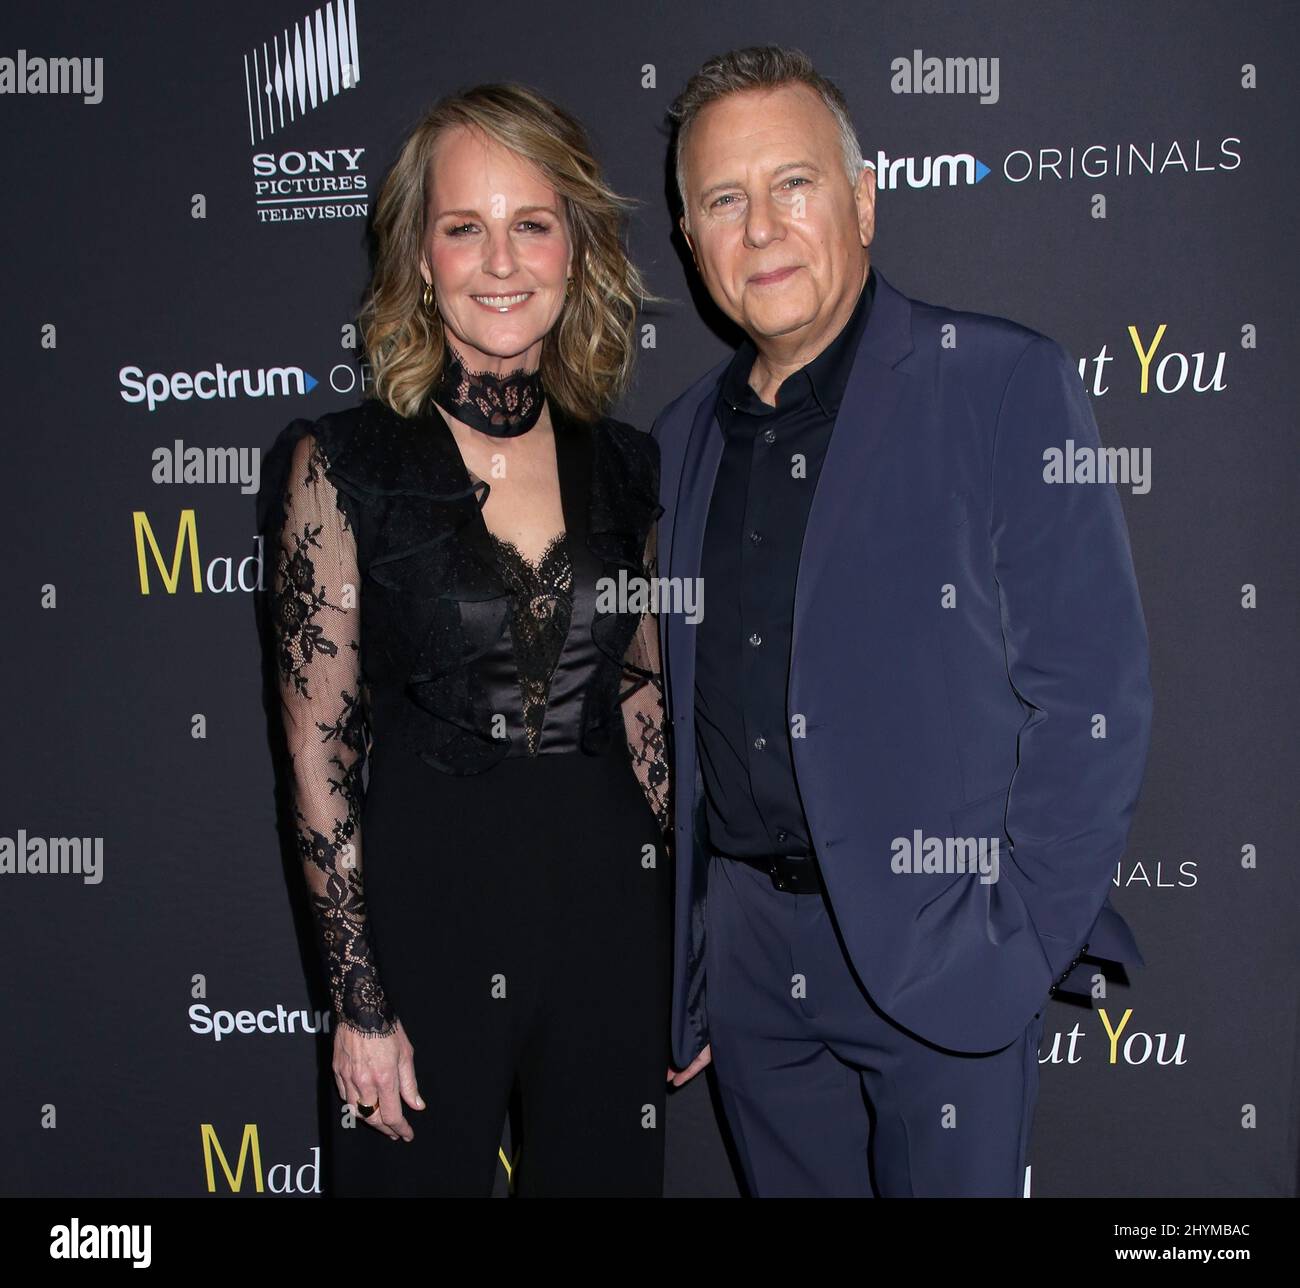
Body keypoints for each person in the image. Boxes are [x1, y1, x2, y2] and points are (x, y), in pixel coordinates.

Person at [655, 46, 1153, 1196]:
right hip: (749, 967)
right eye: (725, 200)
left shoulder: (998, 383)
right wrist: (698, 959)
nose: (763, 227)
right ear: (691, 242)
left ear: (863, 199)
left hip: (946, 952)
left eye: (794, 184)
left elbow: (1094, 695)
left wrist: (1016, 937)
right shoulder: (676, 443)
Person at [259, 83, 672, 1197]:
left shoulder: (626, 464)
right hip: (424, 916)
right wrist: (358, 1000)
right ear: (420, 254)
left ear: (576, 246)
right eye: (464, 227)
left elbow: (643, 707)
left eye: (531, 223)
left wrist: (683, 957)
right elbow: (318, 751)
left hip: (608, 917)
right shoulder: (341, 462)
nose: (501, 261)